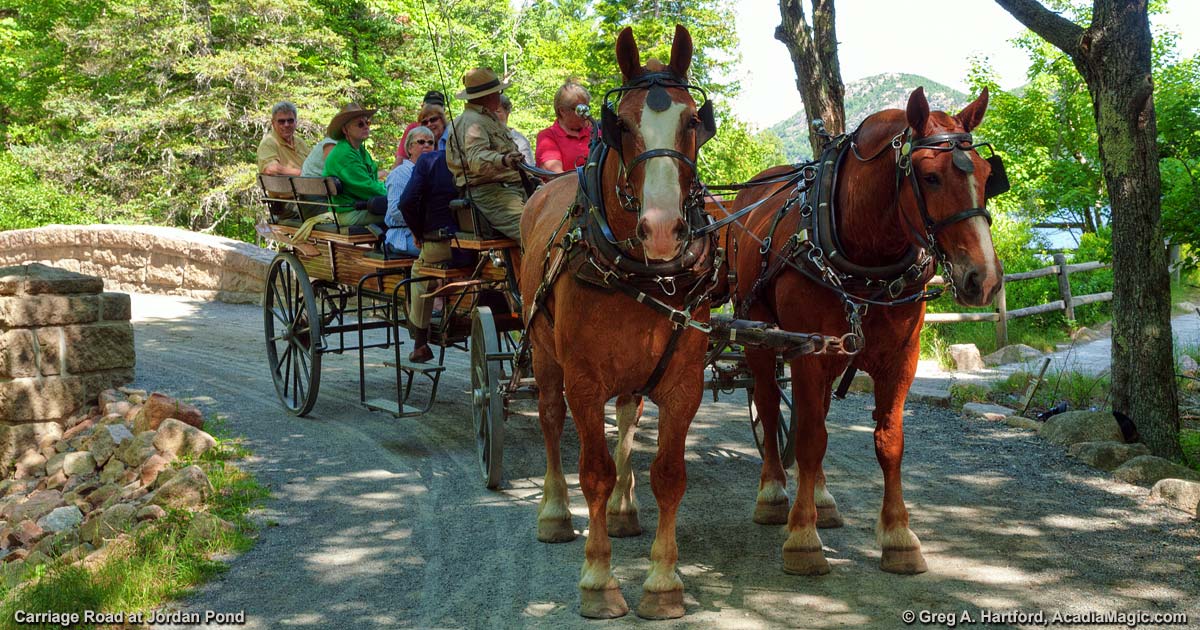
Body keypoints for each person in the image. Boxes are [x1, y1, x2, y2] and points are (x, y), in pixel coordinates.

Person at [399, 149, 470, 363]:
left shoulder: (429, 160)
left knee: (419, 274)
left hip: (448, 244)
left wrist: (419, 232)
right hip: (486, 245)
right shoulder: (483, 155)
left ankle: (420, 343)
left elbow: (406, 202)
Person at [445, 67, 526, 243]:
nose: (499, 95)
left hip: (512, 188)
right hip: (491, 194)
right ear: (489, 95)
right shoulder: (472, 121)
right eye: (498, 91)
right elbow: (476, 160)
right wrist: (504, 160)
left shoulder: (487, 118)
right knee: (535, 231)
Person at [322, 103, 387, 226]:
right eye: (360, 124)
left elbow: (371, 181)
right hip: (348, 213)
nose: (366, 127)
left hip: (360, 208)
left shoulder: (359, 150)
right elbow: (368, 188)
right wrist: (397, 195)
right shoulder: (344, 155)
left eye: (367, 123)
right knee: (401, 215)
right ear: (345, 130)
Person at [382, 126, 437, 257]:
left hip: (431, 233)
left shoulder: (435, 173)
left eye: (431, 143)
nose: (427, 145)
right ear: (410, 148)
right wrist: (421, 223)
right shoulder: (400, 174)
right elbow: (396, 211)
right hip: (402, 236)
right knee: (442, 252)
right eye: (421, 142)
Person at [534, 82, 592, 173]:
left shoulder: (595, 132)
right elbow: (556, 176)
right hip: (567, 186)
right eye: (580, 110)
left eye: (587, 108)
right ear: (563, 111)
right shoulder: (547, 137)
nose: (586, 114)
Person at [257, 101, 311, 176]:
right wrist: (302, 174)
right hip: (286, 187)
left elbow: (313, 166)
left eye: (290, 121)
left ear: (296, 122)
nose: (286, 125)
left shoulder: (300, 142)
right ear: (273, 123)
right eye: (281, 121)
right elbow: (270, 169)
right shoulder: (268, 143)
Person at [395, 90, 447, 163]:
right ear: (422, 107)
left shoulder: (452, 132)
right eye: (425, 122)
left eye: (434, 119)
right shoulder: (413, 129)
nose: (429, 124)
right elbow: (400, 159)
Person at [498, 94, 533, 165]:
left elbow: (529, 171)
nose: (492, 115)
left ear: (507, 113)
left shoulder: (519, 140)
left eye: (497, 111)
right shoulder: (482, 136)